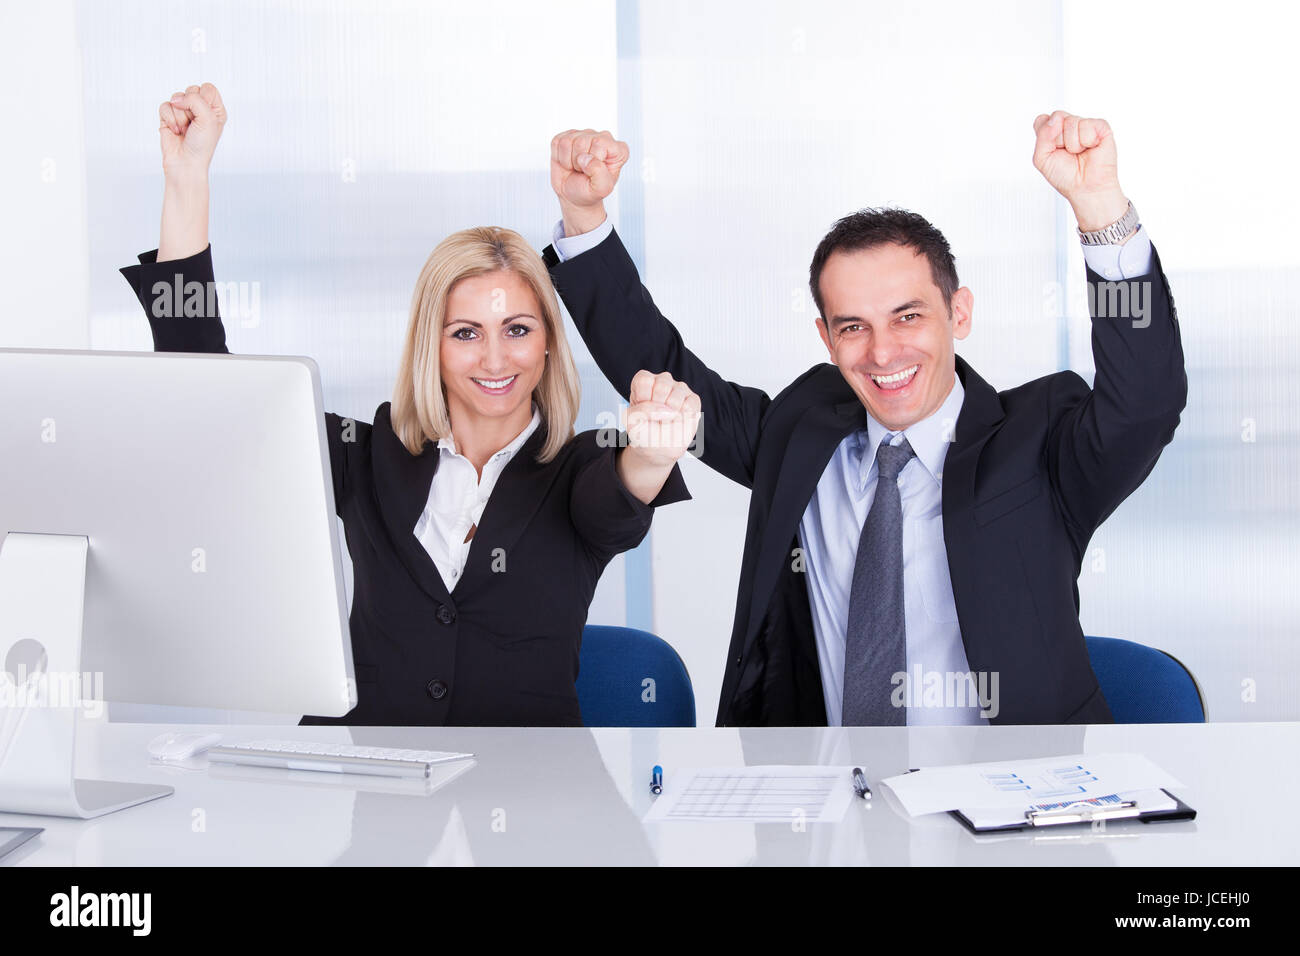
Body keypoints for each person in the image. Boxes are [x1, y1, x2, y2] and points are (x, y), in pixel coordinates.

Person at [543, 113, 1187, 726]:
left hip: (1010, 809)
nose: (883, 353)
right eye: (854, 327)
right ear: (826, 337)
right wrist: (585, 217)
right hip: (833, 812)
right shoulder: (798, 437)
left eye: (909, 317)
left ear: (958, 313)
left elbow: (1144, 403)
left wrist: (1100, 209)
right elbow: (664, 370)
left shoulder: (1039, 445)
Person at [118, 83, 700, 727]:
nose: (495, 359)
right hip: (369, 790)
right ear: (434, 343)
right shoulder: (368, 456)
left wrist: (649, 452)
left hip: (534, 799)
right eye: (465, 333)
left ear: (546, 344)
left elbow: (619, 498)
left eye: (517, 330)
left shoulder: (580, 469)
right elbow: (208, 394)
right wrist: (186, 179)